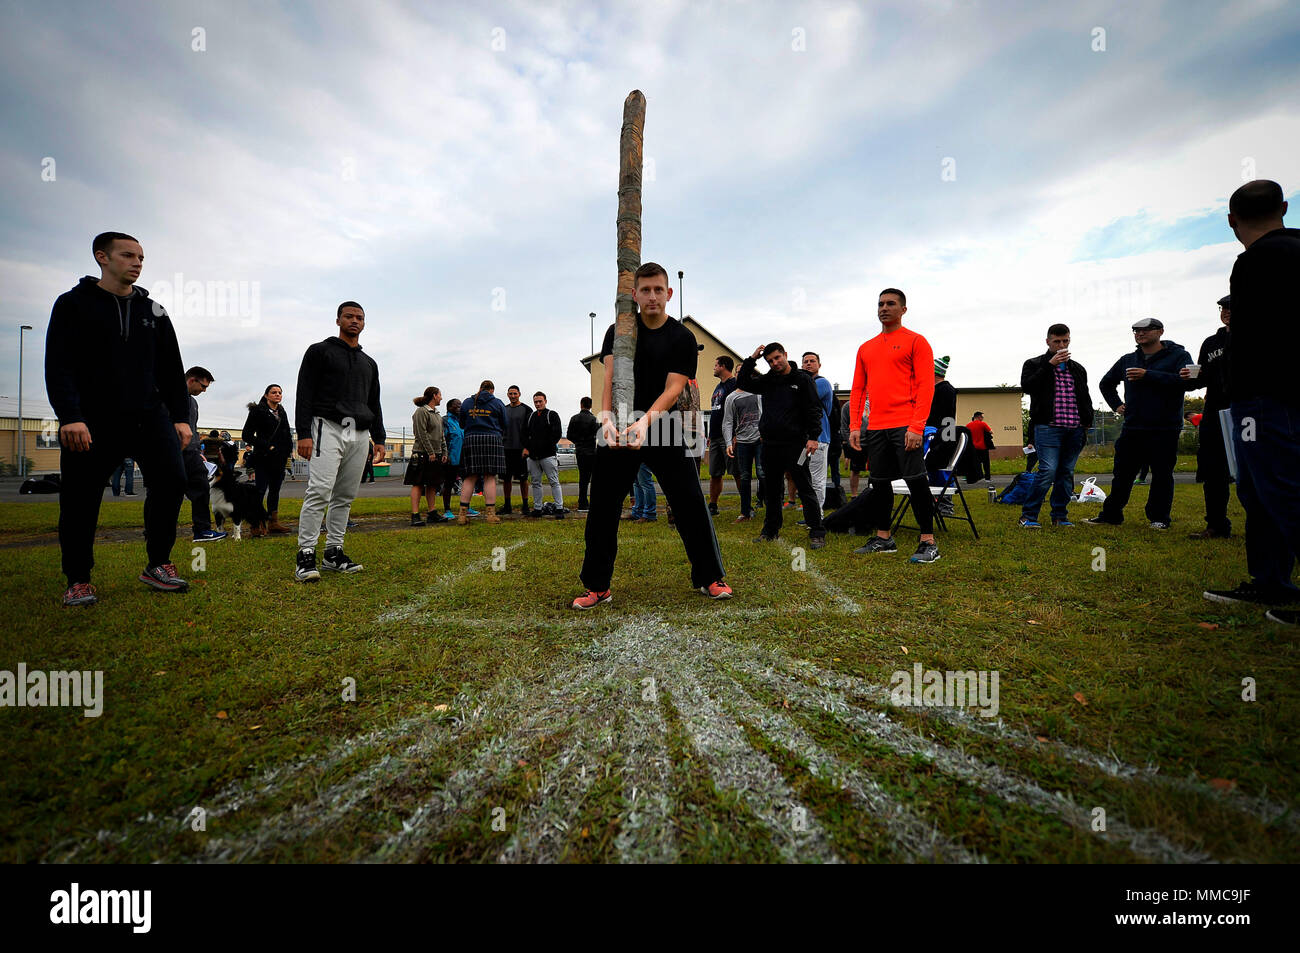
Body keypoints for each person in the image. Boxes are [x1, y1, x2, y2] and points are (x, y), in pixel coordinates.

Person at [45, 231, 191, 605]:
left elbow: (172, 369)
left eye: (141, 257)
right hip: (92, 420)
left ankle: (158, 564)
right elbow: (59, 364)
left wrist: (179, 417)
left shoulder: (154, 311)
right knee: (80, 497)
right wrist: (70, 416)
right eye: (128, 255)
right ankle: (78, 579)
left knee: (173, 481)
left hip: (149, 415)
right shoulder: (72, 304)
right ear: (102, 257)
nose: (137, 263)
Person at [573, 262, 729, 608]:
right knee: (603, 506)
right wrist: (607, 419)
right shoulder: (619, 330)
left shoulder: (682, 338)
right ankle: (598, 586)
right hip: (620, 425)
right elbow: (610, 377)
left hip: (663, 424)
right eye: (646, 290)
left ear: (669, 293)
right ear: (634, 295)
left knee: (689, 502)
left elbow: (674, 388)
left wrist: (646, 422)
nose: (653, 296)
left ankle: (710, 577)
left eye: (659, 290)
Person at [1204, 180, 1300, 621]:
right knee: (1261, 491)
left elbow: (1254, 337)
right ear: (1283, 207)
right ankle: (1272, 584)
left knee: (1279, 489)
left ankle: (1274, 583)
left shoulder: (1253, 262)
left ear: (1231, 221)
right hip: (1274, 395)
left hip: (1265, 396)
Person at [293, 301, 384, 581]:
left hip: (358, 432)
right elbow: (304, 393)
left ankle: (334, 552)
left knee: (345, 495)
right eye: (349, 316)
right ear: (338, 320)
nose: (354, 321)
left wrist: (379, 438)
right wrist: (303, 433)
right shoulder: (320, 351)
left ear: (364, 323)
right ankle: (305, 554)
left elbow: (374, 401)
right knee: (320, 490)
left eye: (359, 317)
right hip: (327, 426)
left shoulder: (369, 362)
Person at [848, 288, 940, 563]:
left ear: (903, 310)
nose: (884, 308)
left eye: (890, 304)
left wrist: (917, 426)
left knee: (916, 482)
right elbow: (857, 389)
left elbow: (926, 387)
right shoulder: (866, 348)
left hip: (905, 424)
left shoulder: (916, 341)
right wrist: (855, 425)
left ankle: (928, 542)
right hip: (876, 427)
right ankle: (884, 538)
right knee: (879, 483)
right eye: (880, 304)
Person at [1086, 317, 1192, 529]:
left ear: (1160, 331)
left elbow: (1188, 383)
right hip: (1133, 427)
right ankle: (1112, 515)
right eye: (1136, 330)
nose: (1140, 333)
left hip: (1165, 427)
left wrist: (1148, 375)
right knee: (1122, 474)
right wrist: (1117, 405)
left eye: (1146, 329)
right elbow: (1106, 383)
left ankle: (1159, 518)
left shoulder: (1179, 356)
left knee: (1162, 474)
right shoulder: (1128, 359)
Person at [737, 343, 827, 549]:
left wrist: (813, 437)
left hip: (796, 444)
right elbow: (742, 382)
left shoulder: (802, 379)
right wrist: (752, 359)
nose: (774, 363)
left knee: (805, 487)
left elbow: (814, 409)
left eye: (777, 358)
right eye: (770, 360)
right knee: (772, 490)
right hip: (770, 444)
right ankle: (770, 531)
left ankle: (817, 531)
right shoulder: (768, 380)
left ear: (785, 355)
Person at [1019, 324, 1094, 529]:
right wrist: (1049, 365)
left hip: (1074, 427)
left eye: (1065, 341)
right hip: (1048, 427)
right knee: (1047, 471)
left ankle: (1060, 515)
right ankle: (1028, 516)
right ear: (1048, 342)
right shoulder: (1034, 364)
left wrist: (1087, 422)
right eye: (1057, 341)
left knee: (1066, 472)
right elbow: (1028, 387)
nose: (1062, 345)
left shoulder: (1077, 369)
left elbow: (1085, 397)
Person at [1181, 295, 1233, 539]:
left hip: (1249, 410)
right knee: (1214, 471)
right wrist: (1189, 377)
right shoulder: (1212, 342)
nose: (1226, 312)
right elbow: (1201, 380)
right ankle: (1216, 525)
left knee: (1254, 470)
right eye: (1223, 308)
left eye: (1232, 308)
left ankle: (1269, 527)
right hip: (1214, 412)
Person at [182, 367, 226, 542]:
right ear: (192, 380)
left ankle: (202, 530)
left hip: (191, 453)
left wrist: (197, 450)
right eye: (203, 386)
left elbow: (192, 428)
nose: (204, 390)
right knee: (168, 493)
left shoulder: (193, 403)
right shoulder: (170, 397)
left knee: (201, 487)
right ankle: (154, 532)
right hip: (172, 451)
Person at [241, 384, 293, 534]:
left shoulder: (282, 412)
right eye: (274, 392)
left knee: (275, 491)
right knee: (260, 490)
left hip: (279, 459)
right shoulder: (257, 411)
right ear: (266, 395)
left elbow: (287, 433)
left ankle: (273, 522)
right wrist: (267, 446)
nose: (277, 395)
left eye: (280, 392)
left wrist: (287, 451)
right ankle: (255, 524)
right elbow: (246, 435)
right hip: (263, 457)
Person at [457, 380, 507, 525]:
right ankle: (490, 515)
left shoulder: (467, 402)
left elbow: (461, 423)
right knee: (489, 476)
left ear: (479, 388)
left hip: (471, 439)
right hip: (492, 439)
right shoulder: (497, 403)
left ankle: (462, 515)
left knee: (470, 477)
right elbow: (505, 424)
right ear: (492, 390)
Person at [406, 386, 447, 526]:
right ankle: (415, 515)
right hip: (422, 454)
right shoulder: (421, 412)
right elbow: (421, 433)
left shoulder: (437, 414)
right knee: (418, 483)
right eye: (440, 395)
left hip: (436, 455)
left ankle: (432, 513)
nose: (441, 397)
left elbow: (441, 436)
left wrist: (443, 452)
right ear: (434, 396)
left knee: (432, 484)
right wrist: (430, 452)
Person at [800, 351, 835, 514]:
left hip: (818, 439)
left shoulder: (821, 383)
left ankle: (817, 514)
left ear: (819, 365)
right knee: (803, 475)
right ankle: (809, 510)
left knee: (816, 479)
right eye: (805, 361)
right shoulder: (804, 382)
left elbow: (803, 400)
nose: (808, 363)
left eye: (812, 361)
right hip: (803, 439)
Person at [926, 355, 960, 516]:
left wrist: (946, 438)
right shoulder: (934, 390)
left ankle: (946, 505)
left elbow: (948, 417)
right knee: (933, 470)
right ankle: (934, 502)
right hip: (936, 433)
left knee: (942, 469)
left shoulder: (946, 390)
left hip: (941, 434)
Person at [722, 384, 762, 521]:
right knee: (744, 476)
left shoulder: (758, 392)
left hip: (760, 439)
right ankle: (745, 512)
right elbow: (727, 421)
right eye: (738, 372)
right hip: (743, 441)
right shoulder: (731, 397)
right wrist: (728, 442)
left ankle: (768, 506)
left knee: (762, 473)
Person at [522, 391, 565, 517]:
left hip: (548, 455)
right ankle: (537, 508)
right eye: (536, 402)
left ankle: (559, 508)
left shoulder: (552, 415)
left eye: (540, 401)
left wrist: (544, 447)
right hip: (533, 457)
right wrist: (528, 448)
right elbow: (524, 434)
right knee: (535, 482)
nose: (538, 404)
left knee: (554, 481)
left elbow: (556, 434)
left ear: (545, 401)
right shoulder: (531, 416)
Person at [707, 356, 739, 516]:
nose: (714, 368)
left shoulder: (734, 385)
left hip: (729, 437)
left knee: (737, 472)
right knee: (714, 473)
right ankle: (713, 505)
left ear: (723, 366)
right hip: (715, 436)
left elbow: (738, 411)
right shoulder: (718, 387)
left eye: (715, 365)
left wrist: (735, 434)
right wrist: (710, 435)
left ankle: (745, 504)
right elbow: (715, 412)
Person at [500, 385, 531, 515]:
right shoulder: (504, 409)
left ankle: (525, 505)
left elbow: (530, 430)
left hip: (521, 450)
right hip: (506, 449)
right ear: (507, 395)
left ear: (519, 394)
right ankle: (507, 505)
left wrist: (527, 447)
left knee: (523, 479)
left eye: (515, 394)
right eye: (510, 394)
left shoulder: (527, 409)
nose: (513, 396)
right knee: (506, 479)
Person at [567, 396, 599, 512]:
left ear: (581, 404)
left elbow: (569, 435)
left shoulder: (574, 418)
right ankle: (593, 501)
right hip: (591, 451)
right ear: (590, 406)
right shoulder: (594, 419)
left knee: (583, 478)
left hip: (580, 451)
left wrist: (578, 442)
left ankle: (582, 503)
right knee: (593, 478)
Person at [437, 398, 465, 522]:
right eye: (456, 405)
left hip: (464, 458)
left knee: (467, 483)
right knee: (449, 484)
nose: (459, 407)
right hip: (451, 459)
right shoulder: (445, 420)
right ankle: (447, 510)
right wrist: (445, 454)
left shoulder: (462, 421)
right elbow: (442, 439)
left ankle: (466, 507)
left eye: (460, 405)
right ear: (449, 408)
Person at [840, 397, 869, 497]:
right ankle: (854, 496)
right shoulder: (848, 406)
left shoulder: (873, 403)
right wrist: (850, 443)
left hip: (874, 443)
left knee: (876, 471)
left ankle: (874, 494)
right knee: (855, 470)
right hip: (857, 443)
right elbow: (844, 427)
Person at [966, 412, 993, 483]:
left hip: (973, 447)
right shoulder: (983, 424)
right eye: (982, 417)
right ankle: (987, 478)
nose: (983, 418)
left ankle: (975, 477)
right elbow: (991, 432)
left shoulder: (968, 425)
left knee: (974, 463)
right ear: (979, 417)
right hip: (982, 446)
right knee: (986, 463)